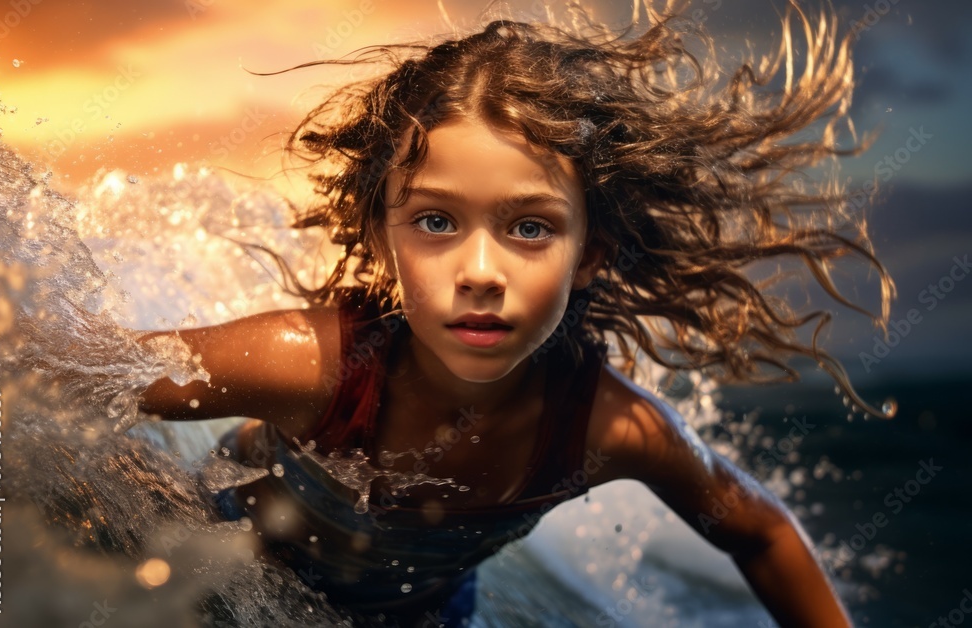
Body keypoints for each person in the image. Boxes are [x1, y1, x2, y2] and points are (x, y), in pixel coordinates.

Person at [135, 2, 893, 626]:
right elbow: (69, 369)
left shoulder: (604, 429)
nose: (481, 273)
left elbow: (761, 531)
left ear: (590, 253)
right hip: (214, 576)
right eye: (435, 222)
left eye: (530, 227)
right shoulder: (310, 367)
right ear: (379, 241)